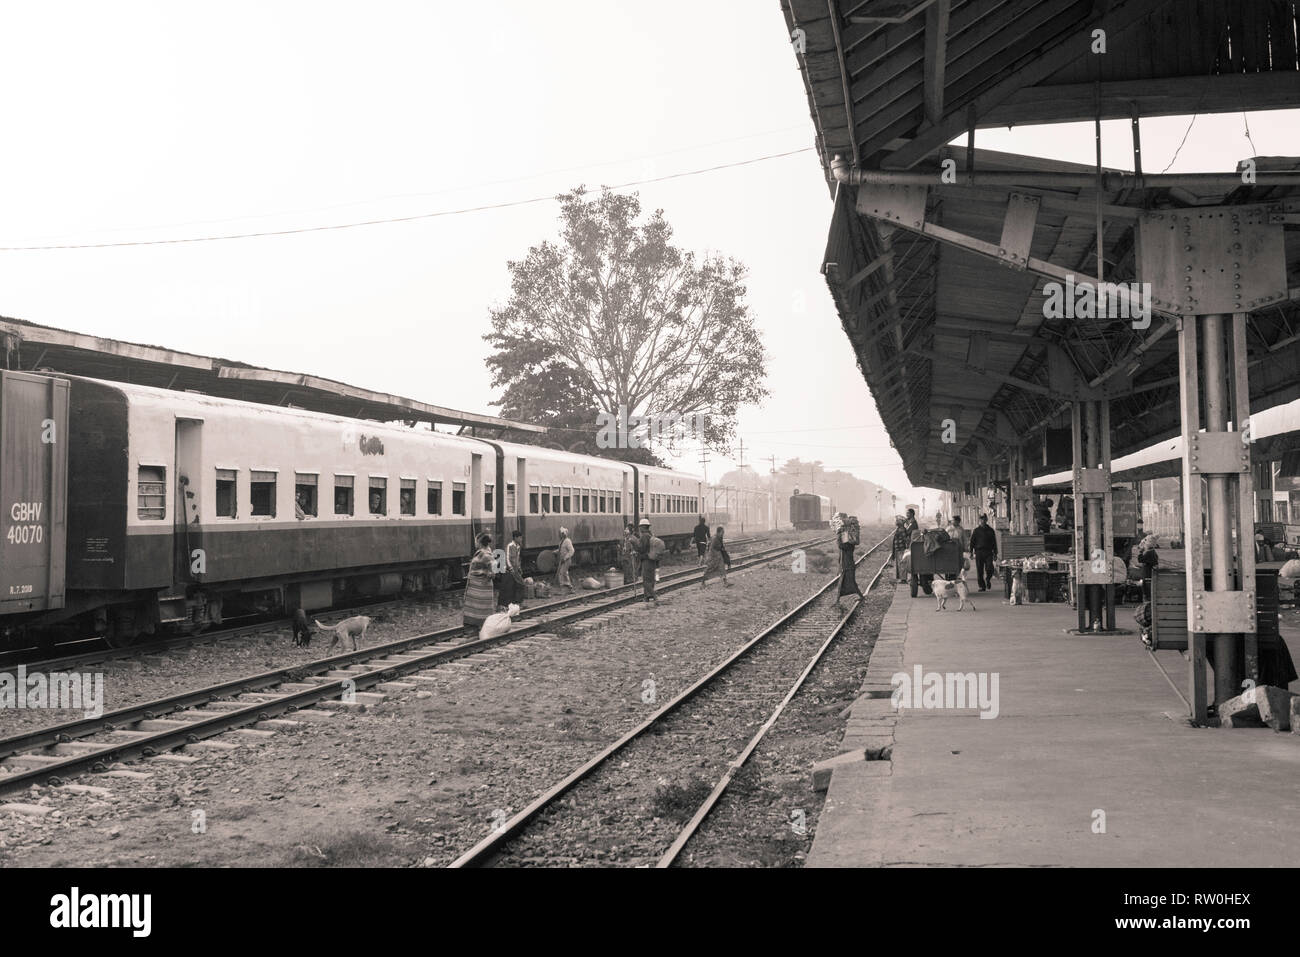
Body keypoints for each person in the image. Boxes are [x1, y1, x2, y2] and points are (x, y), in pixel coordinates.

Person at [463, 532, 497, 628]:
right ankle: (476, 624)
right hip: (478, 586)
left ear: (479, 542)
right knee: (478, 606)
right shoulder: (483, 552)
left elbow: (494, 568)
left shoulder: (484, 553)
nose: (475, 543)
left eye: (476, 541)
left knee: (481, 606)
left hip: (481, 586)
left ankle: (481, 624)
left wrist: (487, 576)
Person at [835, 514, 864, 607]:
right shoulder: (848, 532)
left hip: (846, 559)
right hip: (847, 558)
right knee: (849, 579)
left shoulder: (846, 533)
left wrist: (838, 534)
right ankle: (860, 595)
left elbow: (842, 546)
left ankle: (837, 600)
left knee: (845, 577)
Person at [969, 513, 998, 592]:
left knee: (990, 568)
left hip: (988, 552)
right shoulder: (976, 531)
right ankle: (982, 586)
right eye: (981, 519)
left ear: (986, 519)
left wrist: (995, 553)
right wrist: (971, 552)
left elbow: (994, 542)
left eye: (984, 519)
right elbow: (972, 542)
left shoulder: (991, 530)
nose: (983, 520)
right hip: (979, 552)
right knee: (980, 570)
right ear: (979, 520)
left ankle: (988, 579)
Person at [635, 518, 658, 605]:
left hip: (646, 560)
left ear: (643, 527)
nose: (639, 528)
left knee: (646, 580)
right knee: (650, 579)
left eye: (640, 527)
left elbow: (641, 548)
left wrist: (634, 544)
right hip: (652, 559)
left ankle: (654, 596)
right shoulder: (651, 534)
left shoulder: (644, 536)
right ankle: (647, 597)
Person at [499, 529, 525, 607]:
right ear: (515, 538)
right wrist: (510, 568)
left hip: (515, 569)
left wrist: (519, 567)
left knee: (520, 584)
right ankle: (508, 604)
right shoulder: (509, 546)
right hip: (509, 570)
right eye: (520, 537)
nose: (521, 539)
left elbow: (518, 558)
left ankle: (517, 602)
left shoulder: (518, 547)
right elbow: (507, 558)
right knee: (509, 587)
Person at [892, 516, 910, 582]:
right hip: (899, 548)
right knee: (900, 563)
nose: (896, 522)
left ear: (900, 522)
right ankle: (902, 578)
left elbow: (905, 539)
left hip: (901, 548)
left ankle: (903, 579)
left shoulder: (901, 529)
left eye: (897, 521)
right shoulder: (900, 529)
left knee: (902, 563)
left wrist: (907, 547)